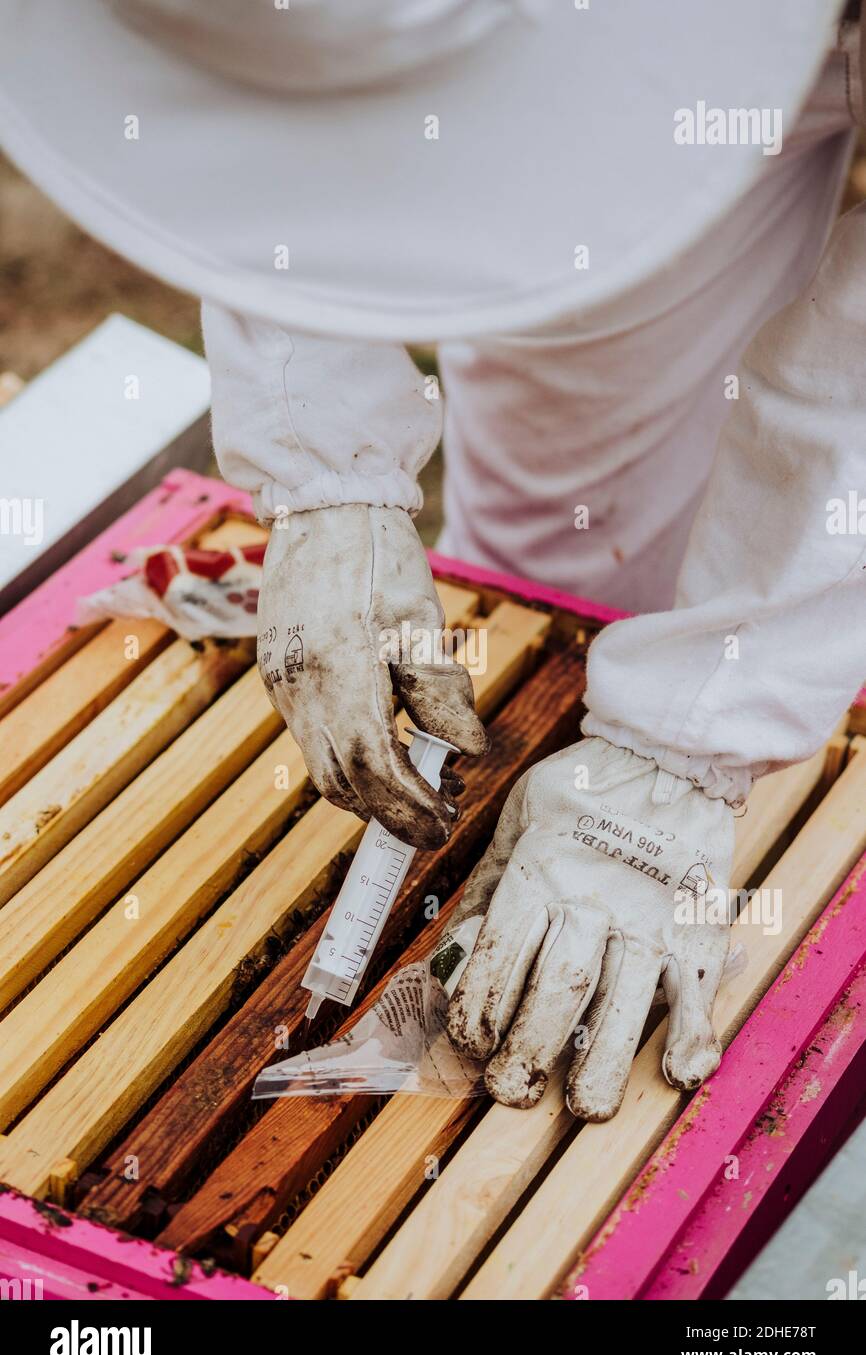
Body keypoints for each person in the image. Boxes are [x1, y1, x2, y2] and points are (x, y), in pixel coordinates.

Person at [2, 0, 864, 1119]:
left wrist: (693, 734)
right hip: (599, 52)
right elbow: (261, 83)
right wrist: (324, 469)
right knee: (560, 565)